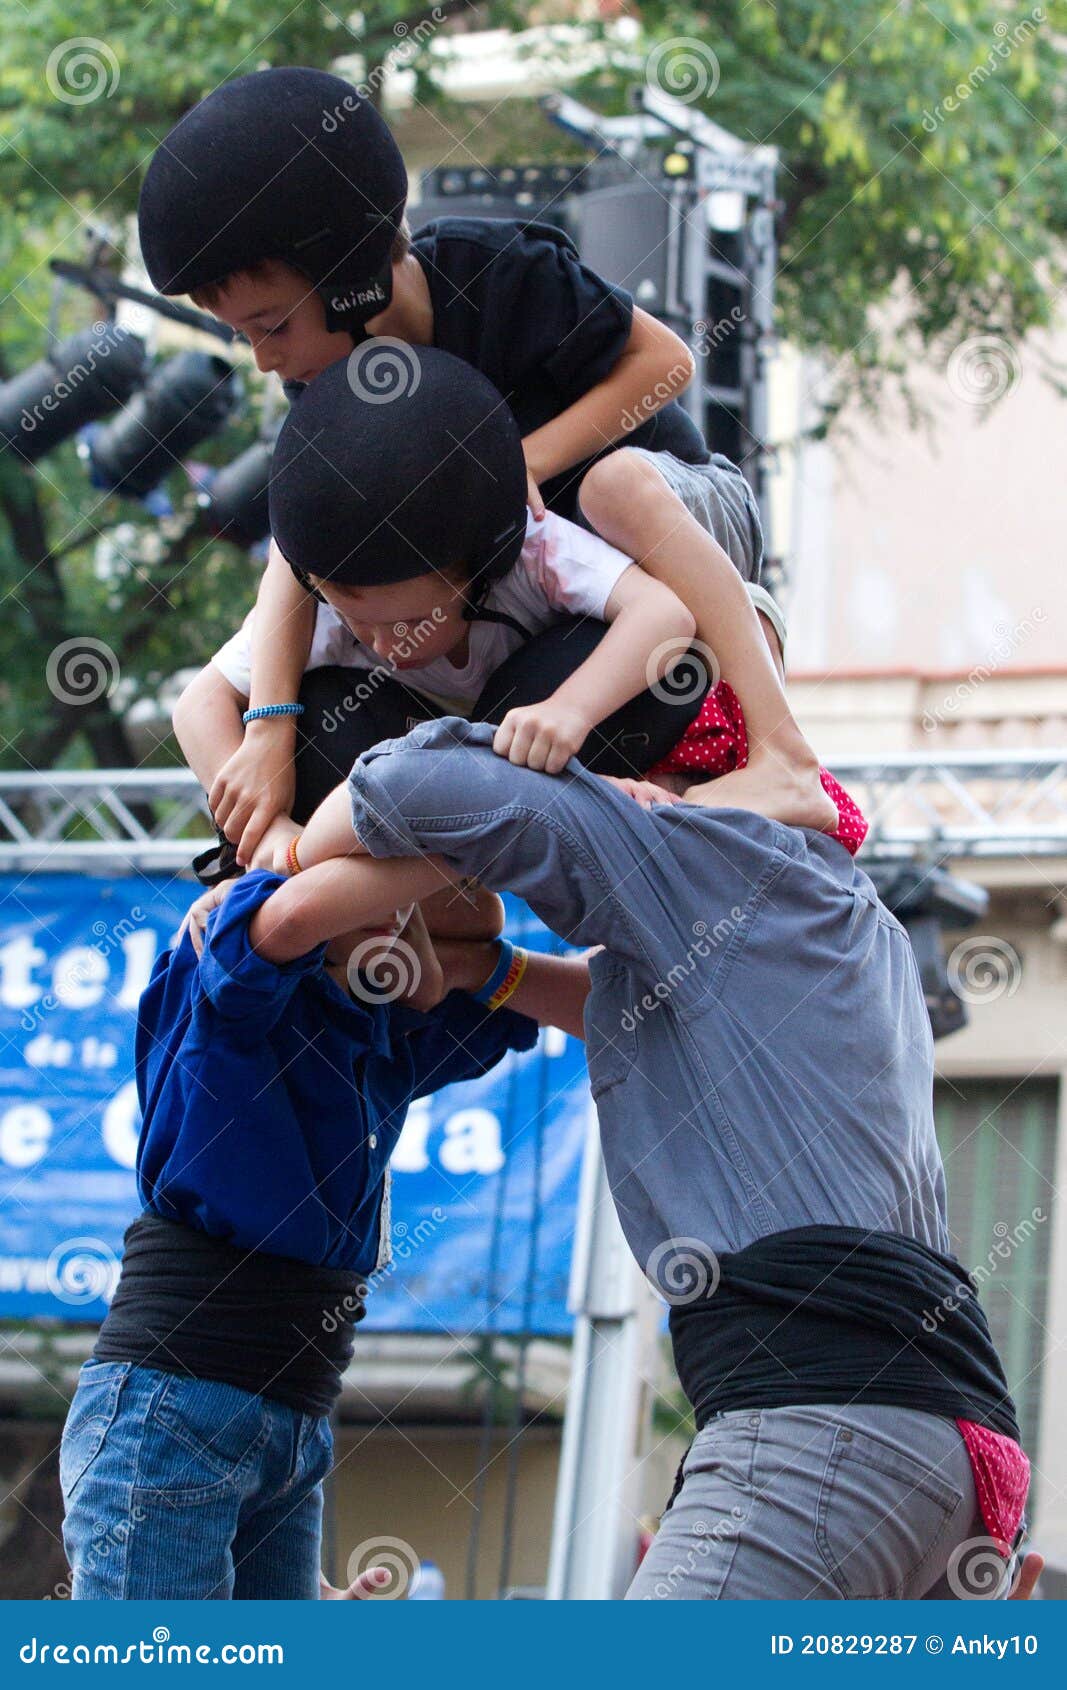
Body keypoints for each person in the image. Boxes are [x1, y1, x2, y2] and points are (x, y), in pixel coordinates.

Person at [262, 713, 1031, 1600]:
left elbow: (409, 785)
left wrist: (282, 851)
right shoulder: (839, 911)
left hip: (824, 1428)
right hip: (948, 1450)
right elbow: (664, 1015)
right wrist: (492, 971)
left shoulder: (713, 848)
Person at [142, 65, 837, 869]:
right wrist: (271, 725)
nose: (264, 361)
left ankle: (785, 757)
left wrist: (514, 467)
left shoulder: (493, 268)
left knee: (614, 487)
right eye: (245, 338)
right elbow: (301, 556)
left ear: (347, 279)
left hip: (676, 513)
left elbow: (667, 363)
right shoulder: (330, 381)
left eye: (270, 326)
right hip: (552, 584)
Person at [59, 866, 588, 1600]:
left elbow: (595, 992)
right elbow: (289, 918)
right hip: (175, 1405)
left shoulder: (383, 1031)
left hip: (289, 1421)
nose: (394, 913)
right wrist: (427, 846)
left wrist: (470, 962)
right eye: (376, 885)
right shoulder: (232, 979)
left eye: (406, 911)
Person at [173, 351, 867, 881]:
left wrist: (569, 710)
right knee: (329, 733)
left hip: (688, 684)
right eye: (362, 626)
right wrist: (261, 822)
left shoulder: (532, 554)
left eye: (411, 618)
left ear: (477, 574)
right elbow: (198, 702)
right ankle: (405, 907)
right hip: (541, 778)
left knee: (530, 710)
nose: (387, 645)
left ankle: (747, 777)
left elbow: (663, 614)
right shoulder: (333, 608)